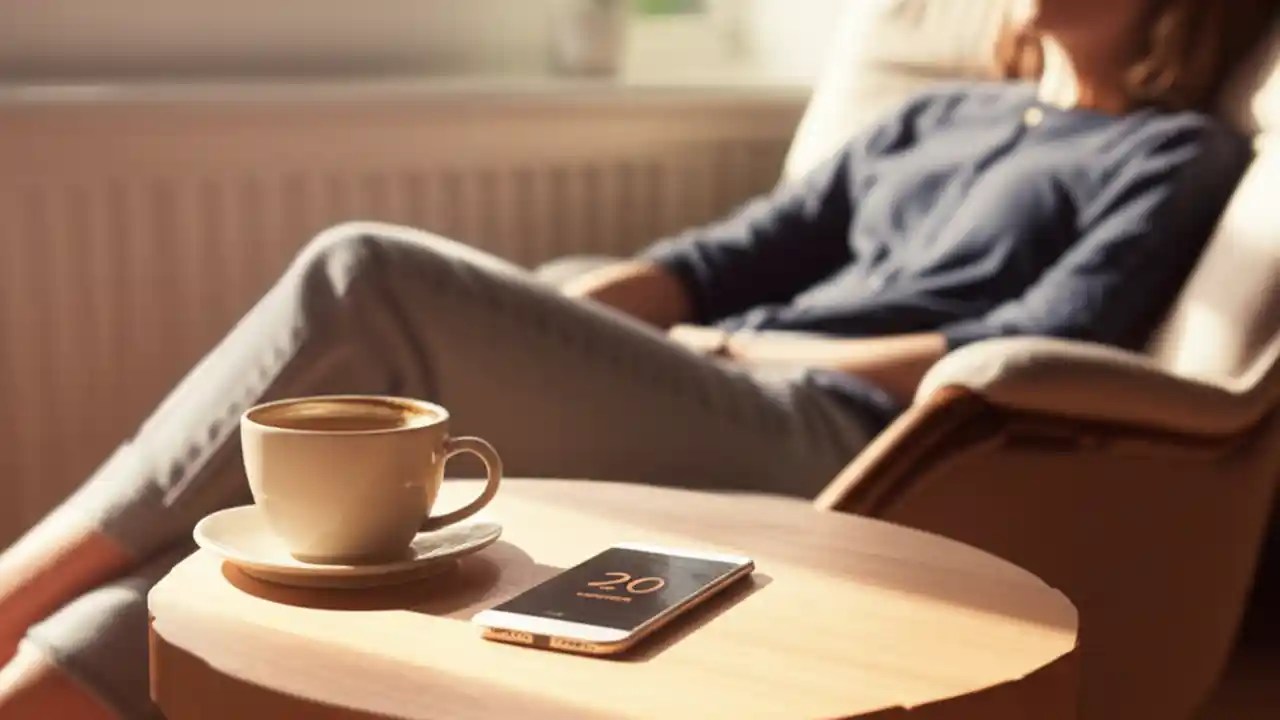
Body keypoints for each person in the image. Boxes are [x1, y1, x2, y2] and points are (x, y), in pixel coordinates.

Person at [1, 0, 1274, 716]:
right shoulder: (942, 113)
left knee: (362, 270)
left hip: (836, 426)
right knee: (277, 559)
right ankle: (39, 682)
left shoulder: (1170, 154)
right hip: (720, 378)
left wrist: (727, 346)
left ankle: (16, 579)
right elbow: (719, 253)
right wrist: (554, 310)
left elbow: (1030, 342)